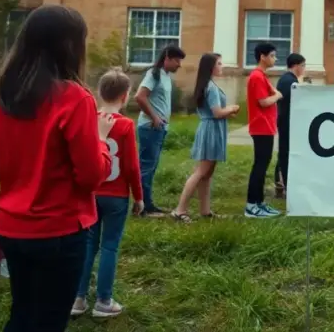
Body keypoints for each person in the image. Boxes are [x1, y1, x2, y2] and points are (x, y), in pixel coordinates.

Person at [0, 4, 115, 332]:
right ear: (70, 46)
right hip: (60, 232)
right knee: (50, 321)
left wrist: (23, 178)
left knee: (23, 314)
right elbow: (91, 175)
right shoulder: (75, 98)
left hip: (11, 228)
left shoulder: (4, 96)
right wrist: (101, 140)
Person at [73, 68, 144, 319]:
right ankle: (103, 300)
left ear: (99, 92)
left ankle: (78, 298)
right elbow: (132, 166)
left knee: (89, 245)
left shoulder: (89, 119)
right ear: (126, 96)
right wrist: (139, 196)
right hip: (117, 196)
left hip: (91, 193)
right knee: (110, 247)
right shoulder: (125, 125)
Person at [172, 53, 240, 221]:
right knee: (201, 171)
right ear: (211, 67)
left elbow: (213, 111)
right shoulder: (211, 87)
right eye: (219, 63)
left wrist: (227, 112)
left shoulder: (208, 85)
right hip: (211, 130)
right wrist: (231, 108)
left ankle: (205, 210)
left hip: (211, 128)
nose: (221, 66)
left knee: (207, 173)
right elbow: (217, 112)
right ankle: (180, 210)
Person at [134, 45, 185, 218]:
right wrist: (154, 117)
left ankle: (148, 204)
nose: (179, 64)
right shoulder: (153, 74)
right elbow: (139, 96)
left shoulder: (166, 77)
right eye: (177, 60)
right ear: (167, 58)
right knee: (147, 167)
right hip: (150, 127)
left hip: (160, 129)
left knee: (151, 166)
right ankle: (143, 208)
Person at [245, 42, 284, 218]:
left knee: (263, 165)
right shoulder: (257, 77)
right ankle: (252, 206)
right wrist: (276, 96)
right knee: (259, 166)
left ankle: (259, 203)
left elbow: (273, 93)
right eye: (273, 55)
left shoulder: (262, 76)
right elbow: (264, 102)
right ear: (263, 56)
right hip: (260, 127)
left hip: (266, 127)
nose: (275, 58)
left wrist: (275, 93)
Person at [274, 52, 306, 198]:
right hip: (287, 121)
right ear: (296, 66)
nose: (304, 69)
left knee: (284, 151)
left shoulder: (288, 79)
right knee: (285, 152)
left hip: (287, 120)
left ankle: (280, 183)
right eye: (303, 65)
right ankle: (284, 183)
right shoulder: (289, 81)